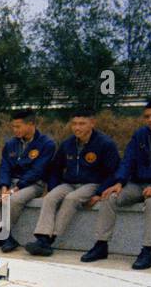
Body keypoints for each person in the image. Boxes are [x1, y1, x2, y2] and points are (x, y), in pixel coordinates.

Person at [25, 110, 120, 257]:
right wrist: (53, 187)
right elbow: (56, 168)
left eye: (82, 124)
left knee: (71, 199)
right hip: (69, 183)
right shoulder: (68, 143)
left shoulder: (105, 144)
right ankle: (42, 237)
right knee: (50, 197)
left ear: (92, 123)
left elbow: (112, 172)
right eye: (74, 124)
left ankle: (50, 239)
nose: (77, 128)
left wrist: (99, 193)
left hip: (92, 183)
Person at [82, 98, 151, 270]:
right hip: (138, 183)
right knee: (109, 196)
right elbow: (128, 160)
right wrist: (119, 182)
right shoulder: (141, 134)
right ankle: (101, 245)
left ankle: (148, 250)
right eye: (147, 116)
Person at [0, 109, 56, 252]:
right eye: (13, 126)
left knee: (13, 200)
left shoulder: (46, 144)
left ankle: (2, 235)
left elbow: (37, 171)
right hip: (9, 183)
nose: (15, 130)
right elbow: (5, 167)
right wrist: (3, 187)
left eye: (18, 126)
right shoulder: (11, 144)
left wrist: (13, 190)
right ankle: (3, 236)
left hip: (33, 184)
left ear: (31, 124)